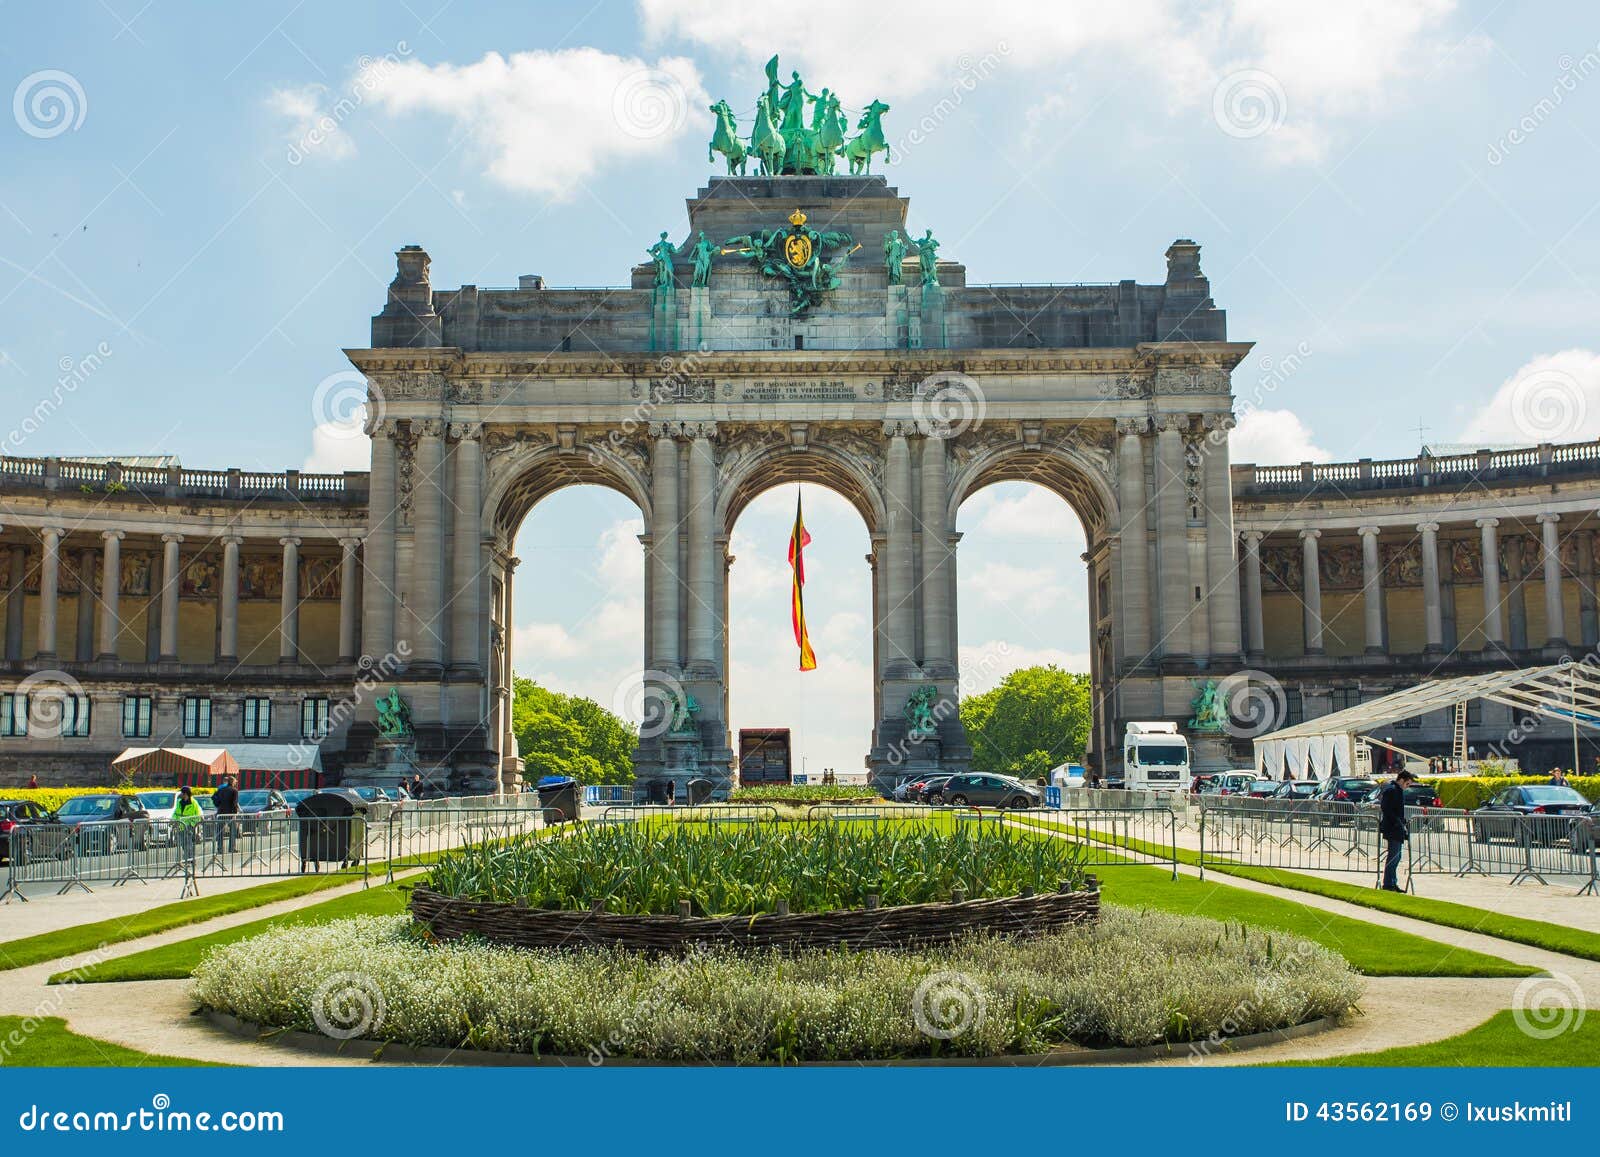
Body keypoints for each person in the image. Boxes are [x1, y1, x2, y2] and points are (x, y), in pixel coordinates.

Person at [1377, 769, 1414, 892]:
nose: (1407, 787)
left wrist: (1402, 823)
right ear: (1401, 780)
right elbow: (1386, 808)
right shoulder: (1392, 790)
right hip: (1392, 828)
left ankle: (1392, 882)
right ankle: (1388, 884)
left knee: (1396, 857)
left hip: (1396, 827)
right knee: (1393, 857)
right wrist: (1397, 822)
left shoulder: (1396, 790)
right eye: (1407, 784)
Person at [172, 785, 204, 865]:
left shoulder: (194, 803)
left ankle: (189, 859)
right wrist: (174, 820)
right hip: (181, 825)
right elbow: (175, 813)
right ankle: (190, 858)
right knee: (183, 843)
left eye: (182, 793)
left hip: (189, 826)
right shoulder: (179, 802)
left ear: (186, 794)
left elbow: (198, 815)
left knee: (188, 843)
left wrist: (192, 824)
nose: (180, 794)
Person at [212, 775, 239, 853]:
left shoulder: (221, 789)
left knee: (220, 831)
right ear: (233, 782)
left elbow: (213, 797)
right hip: (230, 813)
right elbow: (234, 803)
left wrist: (218, 805)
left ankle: (220, 849)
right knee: (233, 831)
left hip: (221, 812)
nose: (235, 783)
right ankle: (232, 848)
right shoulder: (234, 791)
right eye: (235, 782)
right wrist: (235, 813)